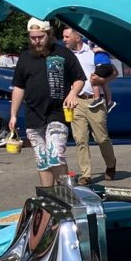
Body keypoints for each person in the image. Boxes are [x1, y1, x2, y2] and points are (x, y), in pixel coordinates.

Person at [9, 18, 86, 187]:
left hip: (57, 113)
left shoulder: (63, 53)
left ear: (49, 34)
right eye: (33, 37)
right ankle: (49, 197)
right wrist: (13, 115)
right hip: (34, 115)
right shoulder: (25, 58)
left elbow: (80, 78)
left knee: (55, 154)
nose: (37, 41)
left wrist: (73, 93)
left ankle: (65, 194)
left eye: (41, 37)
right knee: (42, 160)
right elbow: (19, 87)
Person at [62, 25, 116, 185]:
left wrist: (102, 81)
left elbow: (114, 73)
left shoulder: (93, 52)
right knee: (80, 139)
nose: (64, 40)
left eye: (66, 37)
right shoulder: (66, 55)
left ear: (77, 37)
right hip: (76, 101)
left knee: (101, 138)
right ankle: (86, 174)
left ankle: (111, 164)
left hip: (94, 100)